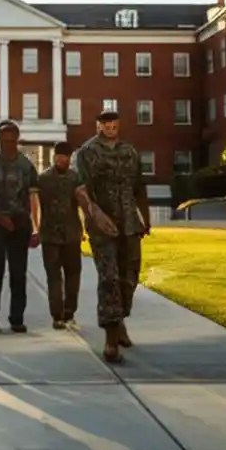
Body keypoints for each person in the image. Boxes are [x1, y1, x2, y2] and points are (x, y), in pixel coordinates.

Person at [73, 110, 150, 363]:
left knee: (130, 277)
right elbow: (81, 190)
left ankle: (119, 323)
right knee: (109, 278)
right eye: (105, 124)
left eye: (114, 124)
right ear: (99, 125)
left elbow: (139, 186)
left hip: (129, 224)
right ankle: (110, 338)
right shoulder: (87, 152)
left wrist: (145, 218)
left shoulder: (130, 151)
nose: (110, 128)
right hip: (103, 225)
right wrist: (94, 215)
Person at [0, 120, 41, 333]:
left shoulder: (26, 165)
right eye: (4, 140)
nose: (8, 143)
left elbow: (33, 199)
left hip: (19, 224)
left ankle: (17, 317)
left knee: (18, 272)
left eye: (12, 140)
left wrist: (35, 228)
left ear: (17, 139)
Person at [37, 141, 85, 330]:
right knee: (54, 277)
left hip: (72, 234)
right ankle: (57, 315)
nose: (61, 160)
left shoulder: (76, 178)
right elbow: (35, 205)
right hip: (50, 235)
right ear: (53, 157)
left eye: (65, 156)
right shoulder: (43, 179)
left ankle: (69, 312)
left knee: (73, 276)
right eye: (58, 156)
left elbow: (84, 203)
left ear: (70, 157)